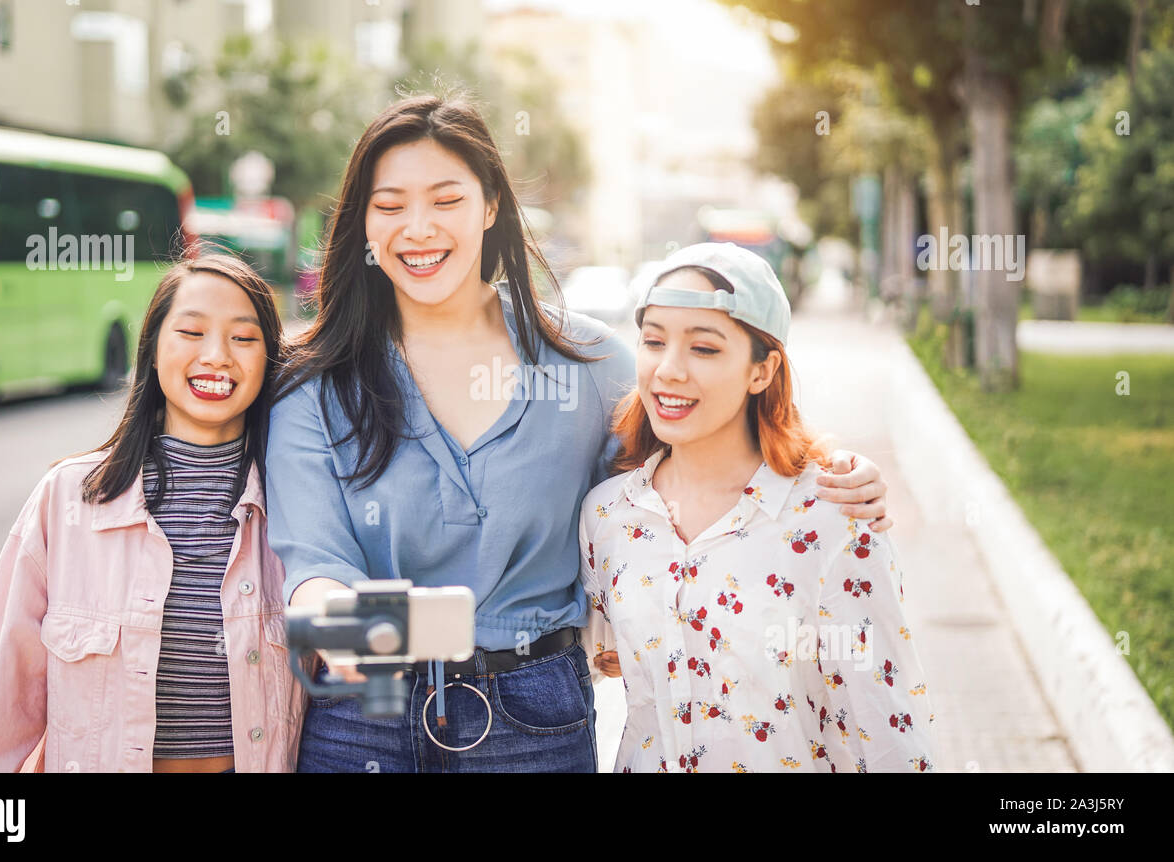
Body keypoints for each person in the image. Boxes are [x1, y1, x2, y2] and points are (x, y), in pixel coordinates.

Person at [268, 93, 891, 773]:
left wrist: (825, 472)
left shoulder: (589, 366)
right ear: (362, 223)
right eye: (390, 206)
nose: (418, 228)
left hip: (533, 717)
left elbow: (699, 472)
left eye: (446, 200)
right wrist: (386, 626)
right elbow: (313, 573)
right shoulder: (313, 383)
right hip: (366, 718)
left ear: (492, 206)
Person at [579, 243, 938, 773]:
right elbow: (599, 661)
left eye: (704, 349)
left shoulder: (832, 517)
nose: (668, 370)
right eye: (653, 342)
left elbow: (887, 728)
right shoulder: (607, 516)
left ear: (762, 370)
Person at [0, 254, 305, 772]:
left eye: (244, 339)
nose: (217, 355)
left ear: (268, 360)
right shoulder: (67, 498)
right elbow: (9, 694)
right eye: (191, 332)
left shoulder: (300, 509)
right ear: (154, 352)